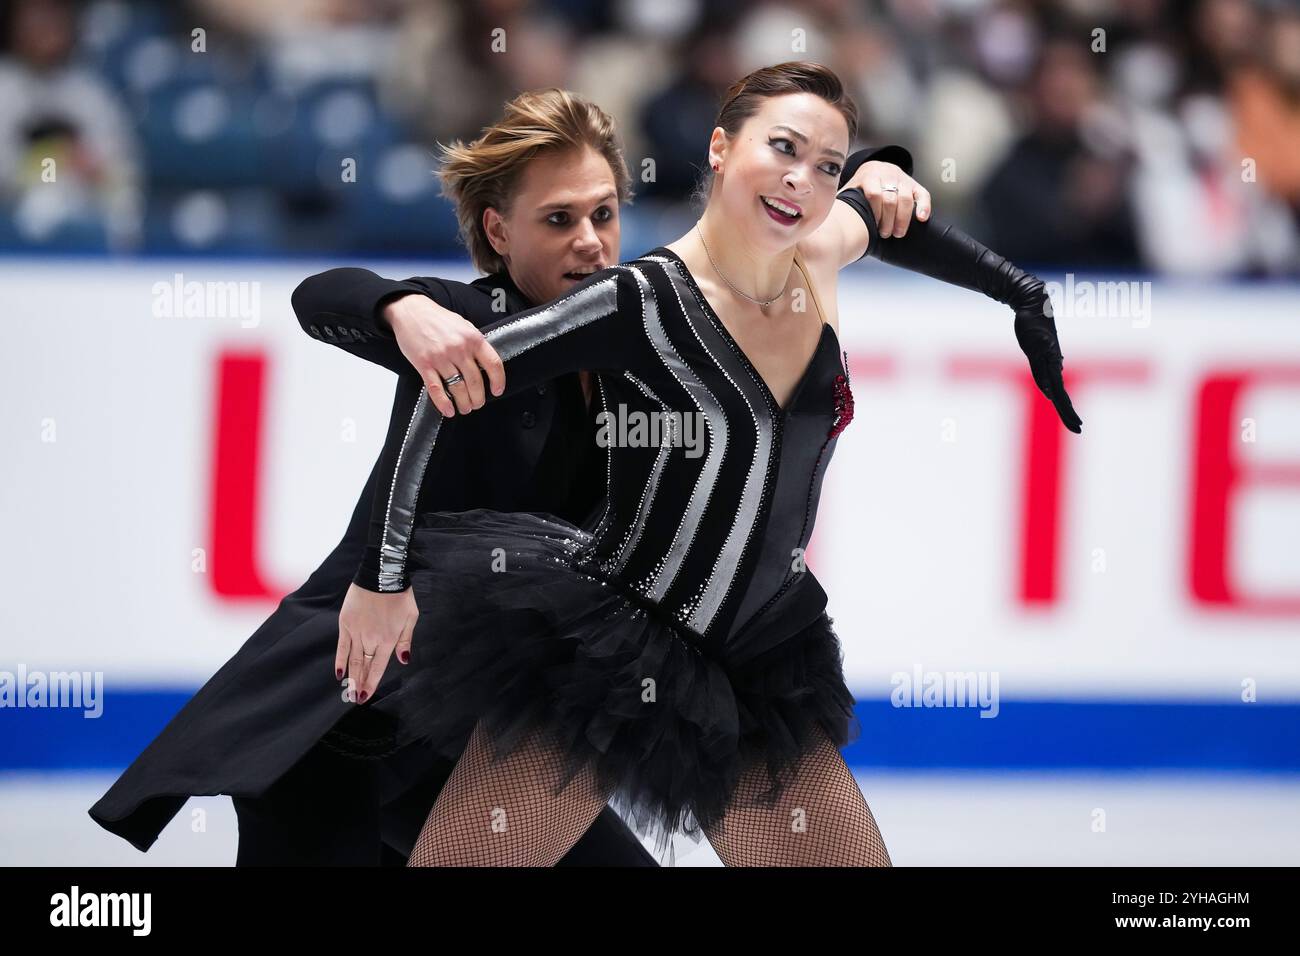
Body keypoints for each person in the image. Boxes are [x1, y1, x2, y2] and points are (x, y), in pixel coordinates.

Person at [86, 84, 926, 865]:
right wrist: (396, 306)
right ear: (498, 233)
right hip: (353, 727)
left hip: (502, 728)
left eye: (603, 213)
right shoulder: (471, 331)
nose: (590, 241)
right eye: (558, 220)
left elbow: (785, 214)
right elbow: (320, 296)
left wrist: (873, 170)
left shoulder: (655, 333)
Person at [319, 61, 1081, 867]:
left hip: (758, 665)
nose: (802, 180)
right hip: (605, 656)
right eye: (781, 148)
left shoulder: (818, 253)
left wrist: (1019, 293)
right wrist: (383, 578)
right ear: (720, 147)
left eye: (824, 164)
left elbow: (885, 215)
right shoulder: (637, 302)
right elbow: (446, 392)